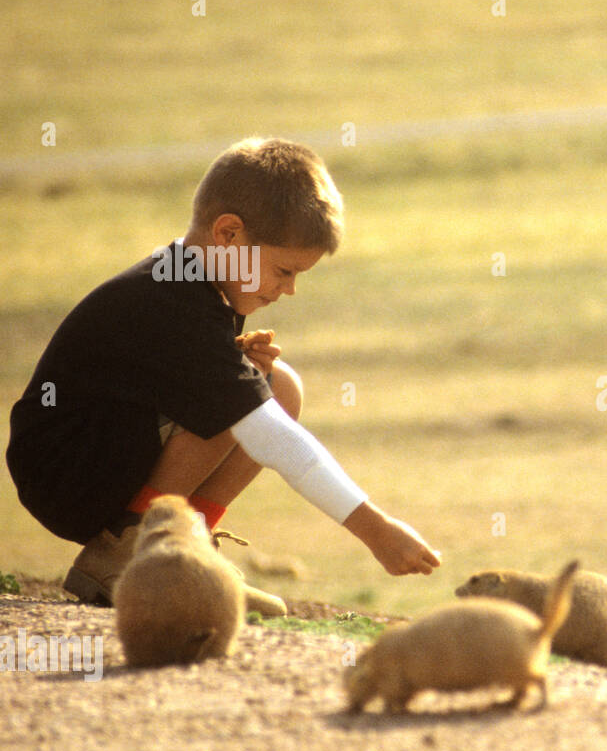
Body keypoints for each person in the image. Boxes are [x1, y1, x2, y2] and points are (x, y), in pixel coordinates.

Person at [6, 137, 440, 612]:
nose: (289, 290)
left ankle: (184, 548)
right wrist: (376, 531)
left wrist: (241, 378)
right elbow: (271, 437)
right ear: (228, 234)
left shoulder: (192, 280)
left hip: (94, 457)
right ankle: (131, 549)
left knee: (276, 386)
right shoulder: (172, 302)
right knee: (243, 402)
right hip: (66, 471)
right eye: (284, 270)